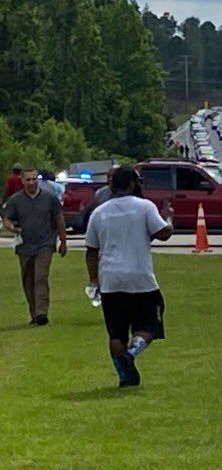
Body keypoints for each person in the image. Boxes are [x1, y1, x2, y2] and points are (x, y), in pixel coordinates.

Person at [85, 166, 174, 388]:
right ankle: (132, 353)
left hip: (111, 281)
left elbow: (91, 250)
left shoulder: (100, 212)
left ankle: (125, 376)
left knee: (116, 333)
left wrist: (94, 280)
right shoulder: (144, 207)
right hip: (140, 278)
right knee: (149, 325)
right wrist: (168, 218)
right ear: (133, 184)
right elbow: (162, 234)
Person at [2, 165, 67, 325]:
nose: (31, 182)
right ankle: (34, 313)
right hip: (25, 245)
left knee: (40, 276)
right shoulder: (15, 200)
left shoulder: (49, 197)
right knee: (28, 279)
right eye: (28, 180)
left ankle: (41, 312)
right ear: (22, 181)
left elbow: (59, 218)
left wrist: (63, 241)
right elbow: (7, 219)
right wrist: (11, 227)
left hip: (45, 243)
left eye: (34, 179)